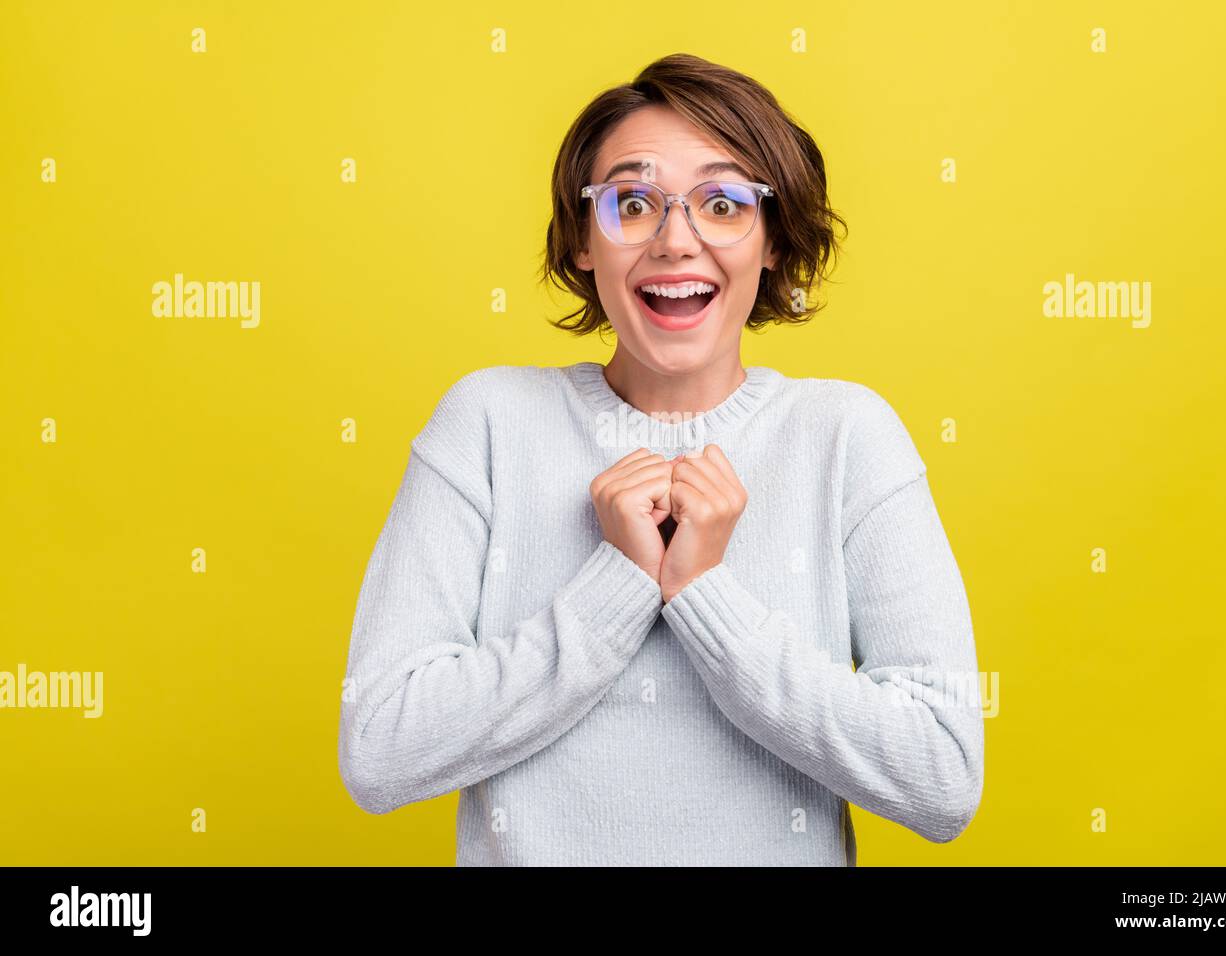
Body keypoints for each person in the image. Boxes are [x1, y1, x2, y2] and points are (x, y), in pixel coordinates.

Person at [337, 53, 984, 866]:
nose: (677, 241)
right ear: (582, 239)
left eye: (722, 203)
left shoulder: (847, 436)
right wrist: (619, 585)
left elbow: (942, 777)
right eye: (633, 203)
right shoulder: (488, 423)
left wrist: (705, 597)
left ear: (775, 239)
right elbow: (381, 750)